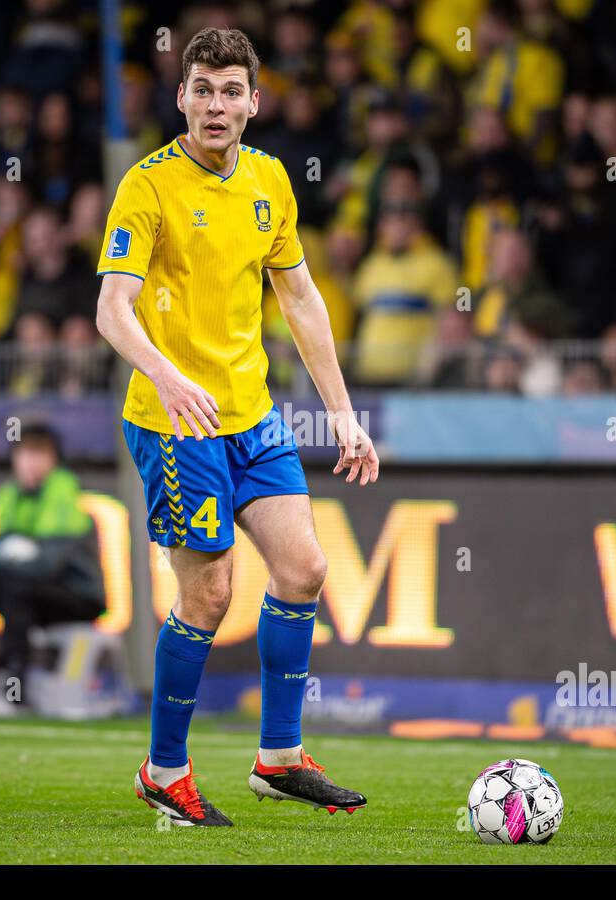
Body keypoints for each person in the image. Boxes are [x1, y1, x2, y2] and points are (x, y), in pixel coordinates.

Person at [95, 28, 377, 827]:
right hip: (175, 422)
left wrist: (343, 415)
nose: (216, 105)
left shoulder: (270, 180)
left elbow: (300, 298)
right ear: (181, 97)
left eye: (231, 91)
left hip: (252, 417)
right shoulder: (147, 187)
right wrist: (166, 372)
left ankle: (279, 758)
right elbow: (112, 307)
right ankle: (164, 770)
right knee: (210, 592)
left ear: (254, 103)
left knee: (304, 567)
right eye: (202, 89)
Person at [0, 421, 104, 707]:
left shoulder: (62, 491)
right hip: (30, 594)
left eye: (39, 454)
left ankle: (14, 688)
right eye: (24, 454)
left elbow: (45, 566)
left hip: (78, 596)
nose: (30, 462)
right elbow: (9, 558)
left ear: (54, 460)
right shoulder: (9, 495)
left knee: (13, 583)